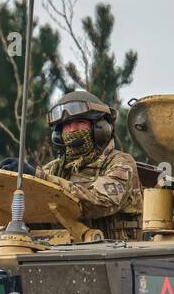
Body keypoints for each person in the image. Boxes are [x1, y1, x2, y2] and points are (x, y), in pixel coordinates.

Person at [33, 89, 142, 233]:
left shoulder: (121, 162)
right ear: (58, 135)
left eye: (80, 122)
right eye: (67, 125)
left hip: (114, 251)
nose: (72, 130)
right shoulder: (54, 169)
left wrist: (41, 178)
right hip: (61, 251)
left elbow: (101, 202)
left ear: (100, 129)